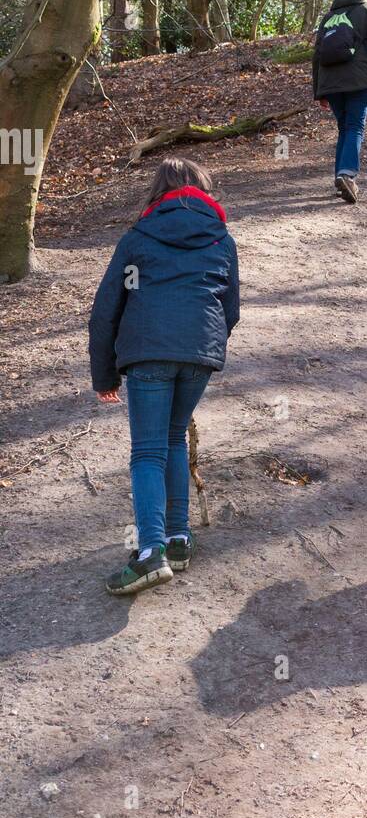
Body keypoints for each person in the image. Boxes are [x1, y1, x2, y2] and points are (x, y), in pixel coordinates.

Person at [88, 157, 240, 595]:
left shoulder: (138, 239)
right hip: (199, 355)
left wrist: (104, 377)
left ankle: (150, 552)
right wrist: (202, 347)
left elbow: (104, 313)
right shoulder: (221, 239)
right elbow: (229, 309)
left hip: (148, 353)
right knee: (172, 438)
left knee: (148, 451)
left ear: (158, 192)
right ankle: (178, 538)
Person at [312, 0, 367, 203]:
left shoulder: (328, 18)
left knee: (344, 128)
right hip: (358, 79)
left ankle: (340, 181)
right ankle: (346, 174)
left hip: (330, 81)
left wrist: (319, 91)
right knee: (355, 127)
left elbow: (317, 55)